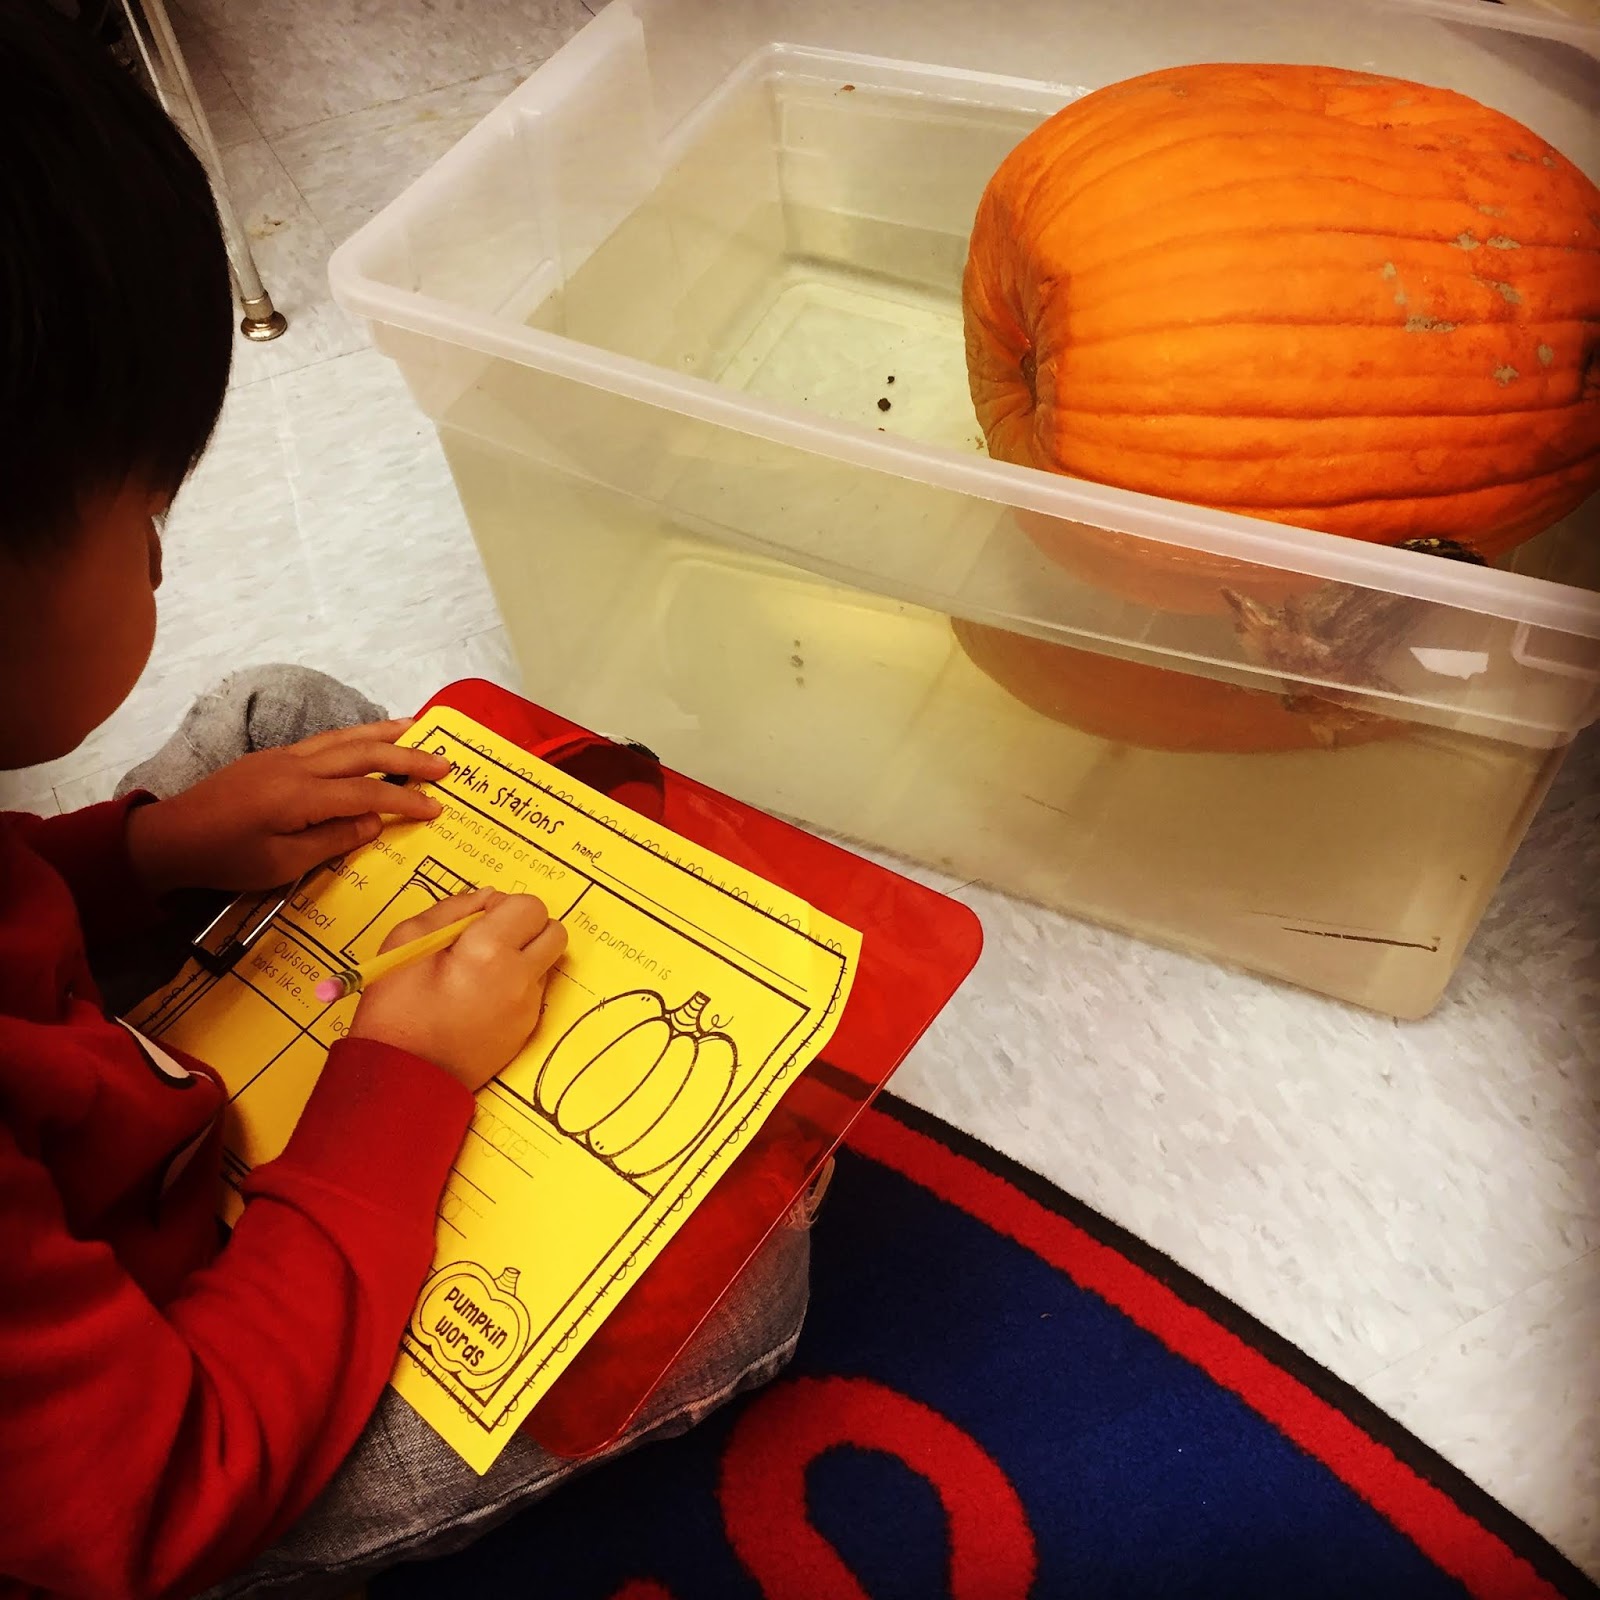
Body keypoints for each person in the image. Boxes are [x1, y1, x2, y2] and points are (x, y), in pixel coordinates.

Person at [0, 6, 811, 1596]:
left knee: (282, 727)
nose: (168, 553)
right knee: (739, 1291)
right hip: (146, 1464)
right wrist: (393, 1086)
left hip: (87, 1174)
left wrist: (146, 853)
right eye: (145, 515)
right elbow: (153, 1490)